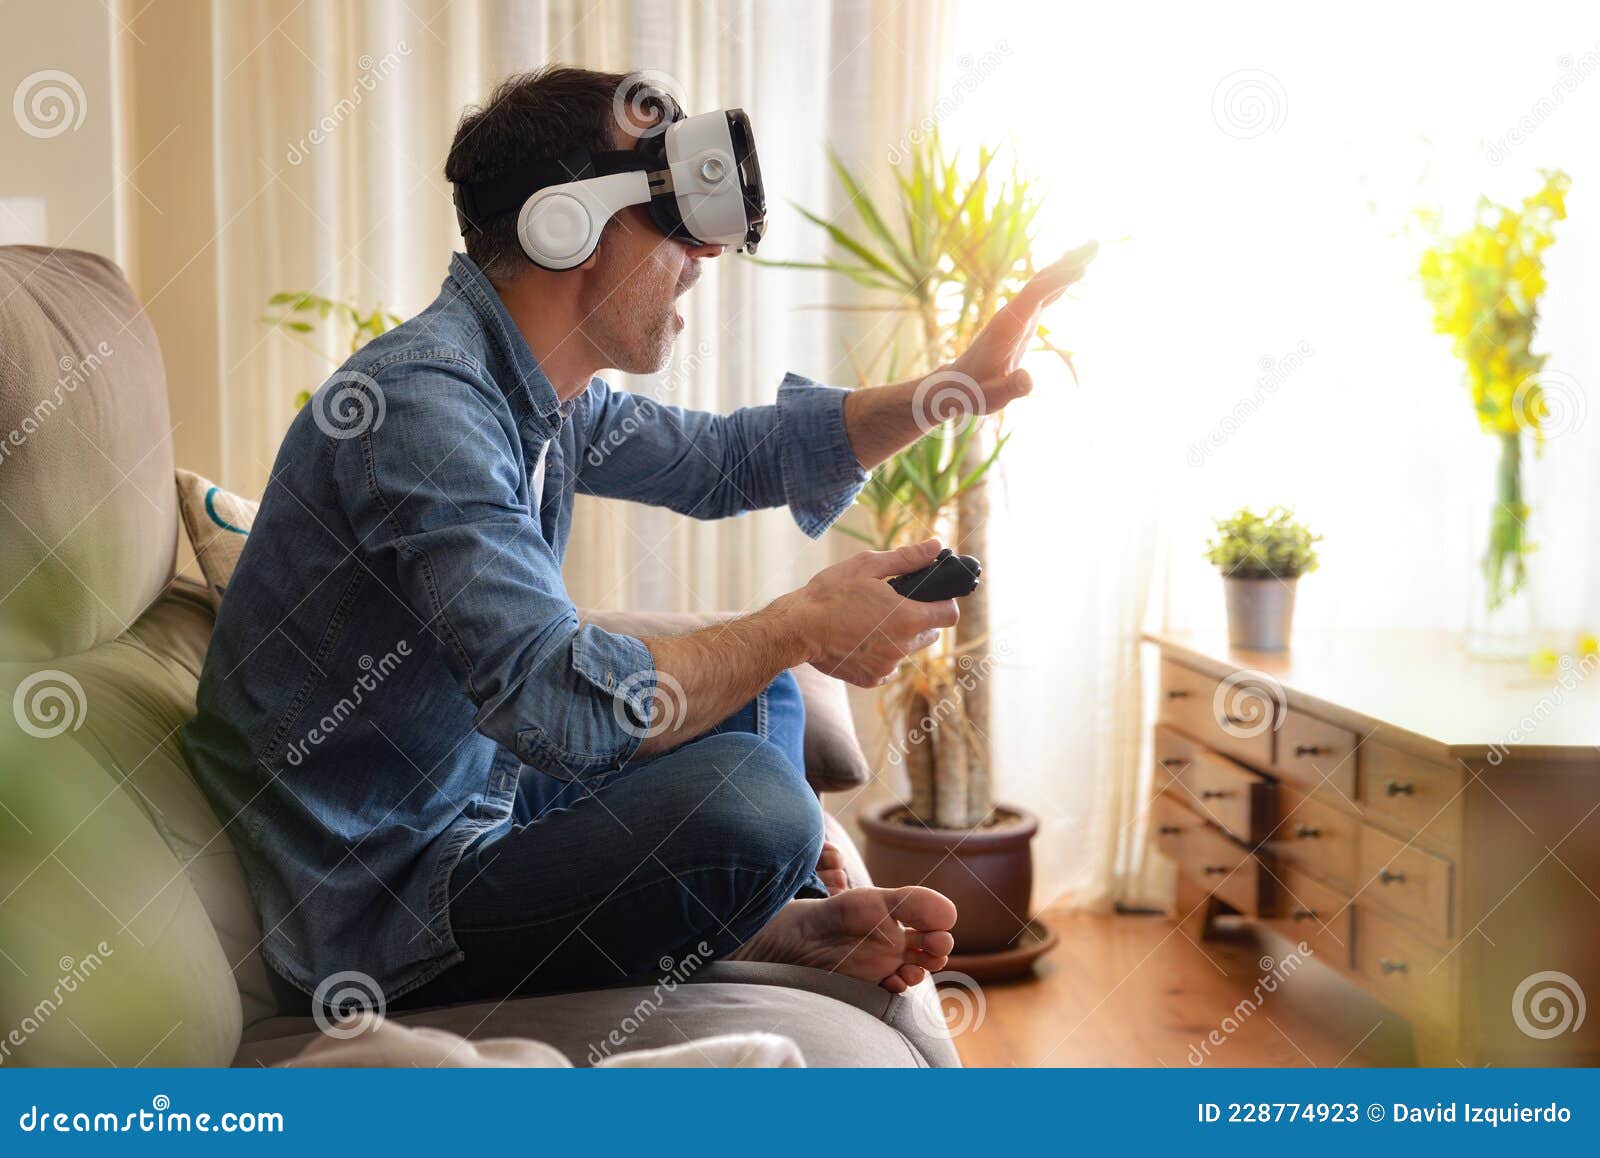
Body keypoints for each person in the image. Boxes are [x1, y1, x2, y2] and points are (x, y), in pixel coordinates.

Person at [182, 65, 1088, 1013]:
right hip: (379, 899)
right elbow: (556, 703)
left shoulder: (533, 394)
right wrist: (803, 623)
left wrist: (952, 390)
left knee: (760, 702)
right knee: (755, 801)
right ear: (564, 225)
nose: (699, 260)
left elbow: (731, 460)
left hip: (473, 795)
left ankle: (771, 923)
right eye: (672, 224)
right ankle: (759, 905)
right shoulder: (422, 406)